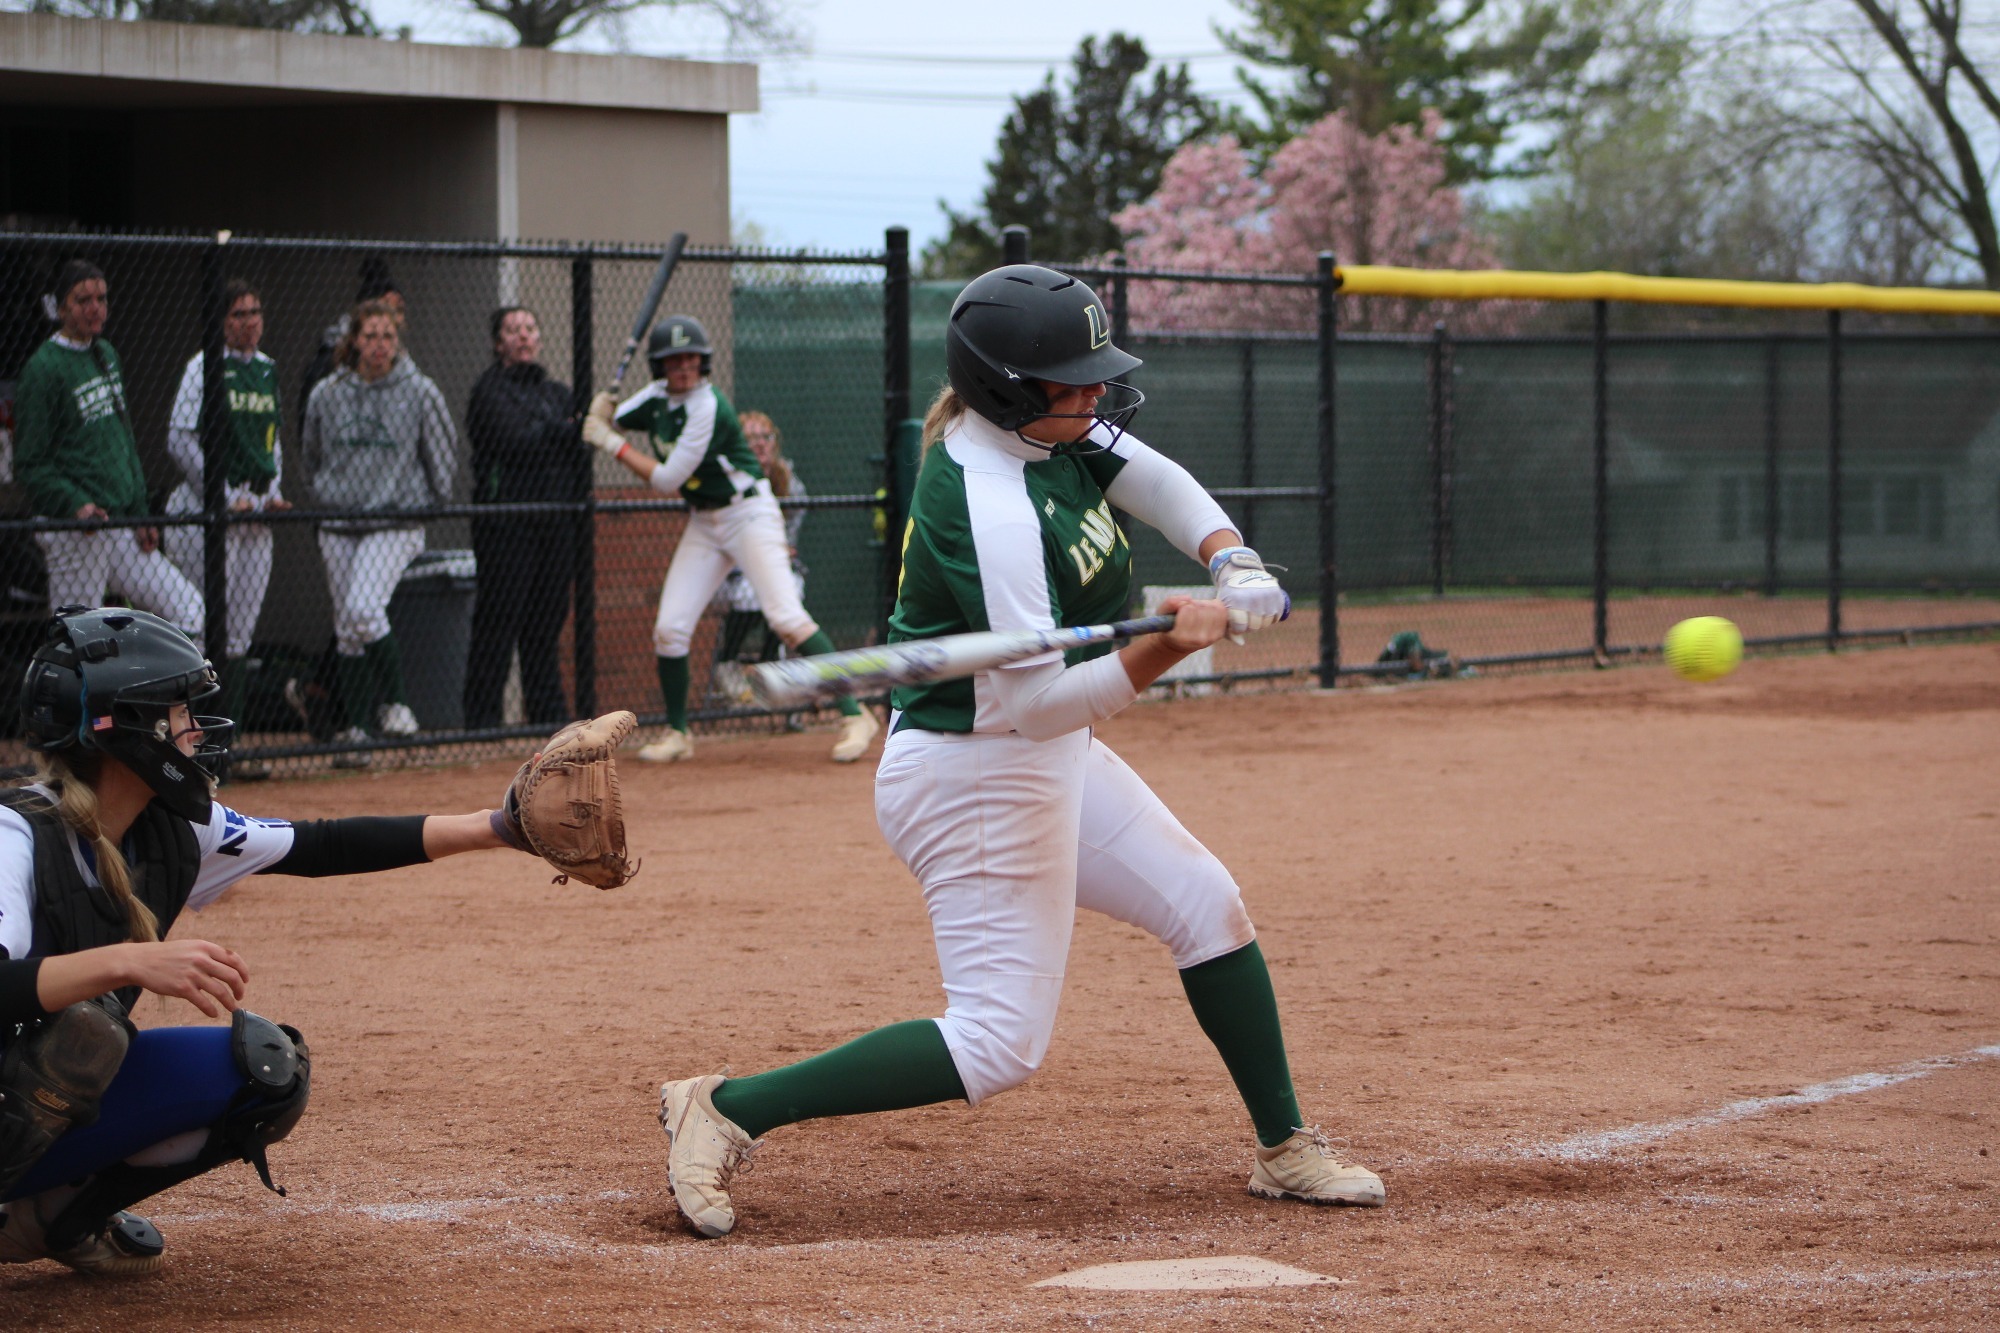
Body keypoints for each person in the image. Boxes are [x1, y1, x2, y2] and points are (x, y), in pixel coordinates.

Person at [654, 265, 1383, 1239]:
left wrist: (1228, 555)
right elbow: (1038, 705)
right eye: (1070, 379)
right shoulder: (987, 498)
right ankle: (728, 1104)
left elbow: (1154, 477)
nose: (1092, 393)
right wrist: (1164, 644)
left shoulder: (1057, 428)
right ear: (1007, 388)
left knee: (1205, 904)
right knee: (998, 1042)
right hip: (971, 771)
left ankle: (1284, 1148)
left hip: (1031, 749)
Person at [0, 606, 524, 1275]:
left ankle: (50, 1215)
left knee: (263, 1069)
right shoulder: (16, 834)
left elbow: (321, 843)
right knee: (85, 1033)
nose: (195, 729)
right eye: (179, 711)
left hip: (30, 1107)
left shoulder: (173, 829)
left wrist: (497, 826)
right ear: (123, 726)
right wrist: (128, 959)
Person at [583, 317, 878, 765]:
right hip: (706, 521)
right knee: (670, 628)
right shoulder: (658, 397)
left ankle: (855, 714)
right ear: (659, 366)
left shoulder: (708, 406)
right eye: (673, 359)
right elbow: (617, 416)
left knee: (786, 617)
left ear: (704, 362)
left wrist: (610, 442)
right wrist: (602, 410)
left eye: (691, 358)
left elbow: (667, 478)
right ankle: (680, 733)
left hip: (749, 513)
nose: (683, 366)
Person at [11, 261, 204, 639]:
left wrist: (140, 512)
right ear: (60, 308)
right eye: (82, 300)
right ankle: (66, 699)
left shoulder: (106, 354)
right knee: (80, 641)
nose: (95, 308)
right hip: (75, 530)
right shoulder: (44, 368)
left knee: (190, 613)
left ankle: (151, 698)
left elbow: (123, 439)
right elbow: (30, 463)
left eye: (101, 298)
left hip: (119, 525)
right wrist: (74, 504)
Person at [299, 300, 456, 762]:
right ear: (353, 341)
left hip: (395, 521)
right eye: (370, 336)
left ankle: (398, 705)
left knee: (364, 609)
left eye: (387, 336)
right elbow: (310, 456)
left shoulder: (419, 390)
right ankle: (358, 732)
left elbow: (443, 458)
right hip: (339, 521)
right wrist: (329, 495)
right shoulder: (328, 393)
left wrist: (426, 506)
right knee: (347, 627)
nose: (379, 346)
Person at [161, 278, 292, 736]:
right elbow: (179, 438)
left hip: (255, 514)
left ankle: (225, 742)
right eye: (239, 314)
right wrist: (220, 494)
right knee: (203, 630)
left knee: (239, 635)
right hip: (212, 513)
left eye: (255, 311)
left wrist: (271, 489)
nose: (250, 321)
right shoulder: (204, 367)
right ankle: (189, 734)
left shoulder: (267, 369)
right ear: (220, 322)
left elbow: (271, 442)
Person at [461, 306, 576, 731]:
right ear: (498, 343)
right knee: (498, 624)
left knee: (544, 627)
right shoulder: (488, 392)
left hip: (554, 525)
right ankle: (481, 724)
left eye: (530, 328)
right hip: (505, 527)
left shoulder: (556, 391)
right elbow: (514, 442)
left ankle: (550, 723)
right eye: (513, 330)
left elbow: (576, 444)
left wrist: (559, 432)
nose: (523, 336)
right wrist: (560, 431)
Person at [708, 411, 806, 706]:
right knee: (754, 592)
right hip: (730, 576)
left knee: (792, 589)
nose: (760, 444)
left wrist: (780, 550)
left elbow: (789, 539)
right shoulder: (726, 478)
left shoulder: (789, 481)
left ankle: (767, 668)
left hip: (772, 569)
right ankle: (728, 662)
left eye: (766, 437)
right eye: (751, 438)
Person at [299, 258, 403, 437]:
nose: (398, 318)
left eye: (400, 311)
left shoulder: (409, 379)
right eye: (389, 309)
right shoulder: (329, 368)